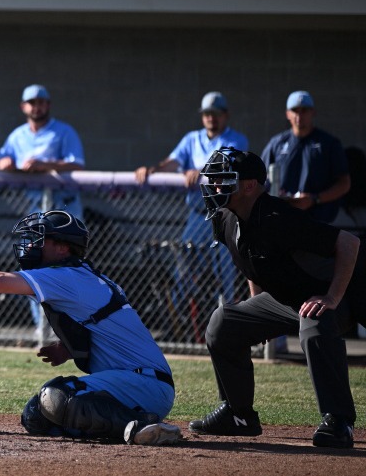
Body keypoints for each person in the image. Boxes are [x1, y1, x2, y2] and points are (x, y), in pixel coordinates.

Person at [0, 210, 181, 445]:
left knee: (57, 396)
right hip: (135, 381)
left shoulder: (66, 276)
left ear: (63, 247)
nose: (31, 245)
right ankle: (130, 425)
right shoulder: (79, 275)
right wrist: (68, 349)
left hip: (145, 384)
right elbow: (107, 331)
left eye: (40, 239)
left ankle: (143, 426)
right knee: (35, 415)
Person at [189, 147, 364, 449]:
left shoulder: (277, 216)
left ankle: (339, 422)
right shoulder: (227, 218)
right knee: (224, 321)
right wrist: (256, 313)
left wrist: (332, 297)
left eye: (223, 180)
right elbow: (250, 260)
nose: (215, 186)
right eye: (214, 180)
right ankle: (238, 415)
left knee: (313, 319)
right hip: (287, 299)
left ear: (249, 185)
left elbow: (349, 243)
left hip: (339, 295)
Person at [135, 91, 249, 311]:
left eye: (216, 113)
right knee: (184, 269)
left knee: (224, 271)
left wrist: (200, 171)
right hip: (197, 217)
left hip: (224, 216)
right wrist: (152, 170)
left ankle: (229, 317)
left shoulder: (236, 139)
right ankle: (180, 319)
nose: (211, 118)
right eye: (207, 113)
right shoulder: (192, 139)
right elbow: (173, 162)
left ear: (225, 115)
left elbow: (227, 164)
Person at [0, 84, 85, 330]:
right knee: (32, 267)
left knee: (67, 270)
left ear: (48, 105)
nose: (37, 107)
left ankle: (70, 330)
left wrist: (44, 164)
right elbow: (2, 159)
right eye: (32, 102)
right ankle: (42, 331)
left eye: (42, 102)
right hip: (36, 211)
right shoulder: (17, 135)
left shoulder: (64, 131)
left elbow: (77, 164)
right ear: (24, 107)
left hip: (64, 210)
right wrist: (4, 162)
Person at [262, 91, 350, 225]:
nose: (299, 115)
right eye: (295, 110)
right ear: (287, 114)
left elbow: (344, 183)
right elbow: (260, 181)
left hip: (319, 222)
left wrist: (315, 199)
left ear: (313, 112)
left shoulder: (328, 143)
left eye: (304, 110)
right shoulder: (277, 144)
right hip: (282, 220)